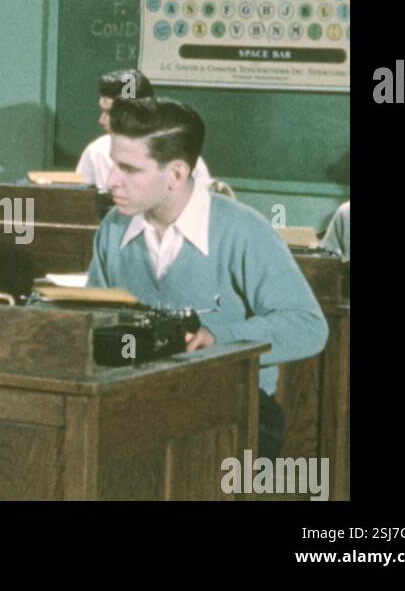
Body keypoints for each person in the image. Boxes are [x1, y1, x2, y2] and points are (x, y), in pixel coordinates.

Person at [86, 97, 328, 459]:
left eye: (128, 169)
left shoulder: (243, 230)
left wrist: (221, 338)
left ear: (177, 174)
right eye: (112, 165)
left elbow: (309, 326)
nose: (110, 181)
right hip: (137, 404)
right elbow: (93, 320)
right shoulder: (113, 227)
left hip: (234, 411)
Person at [76, 69, 212, 191]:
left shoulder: (178, 152)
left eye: (111, 113)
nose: (101, 120)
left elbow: (202, 199)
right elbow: (78, 199)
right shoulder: (96, 151)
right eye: (103, 111)